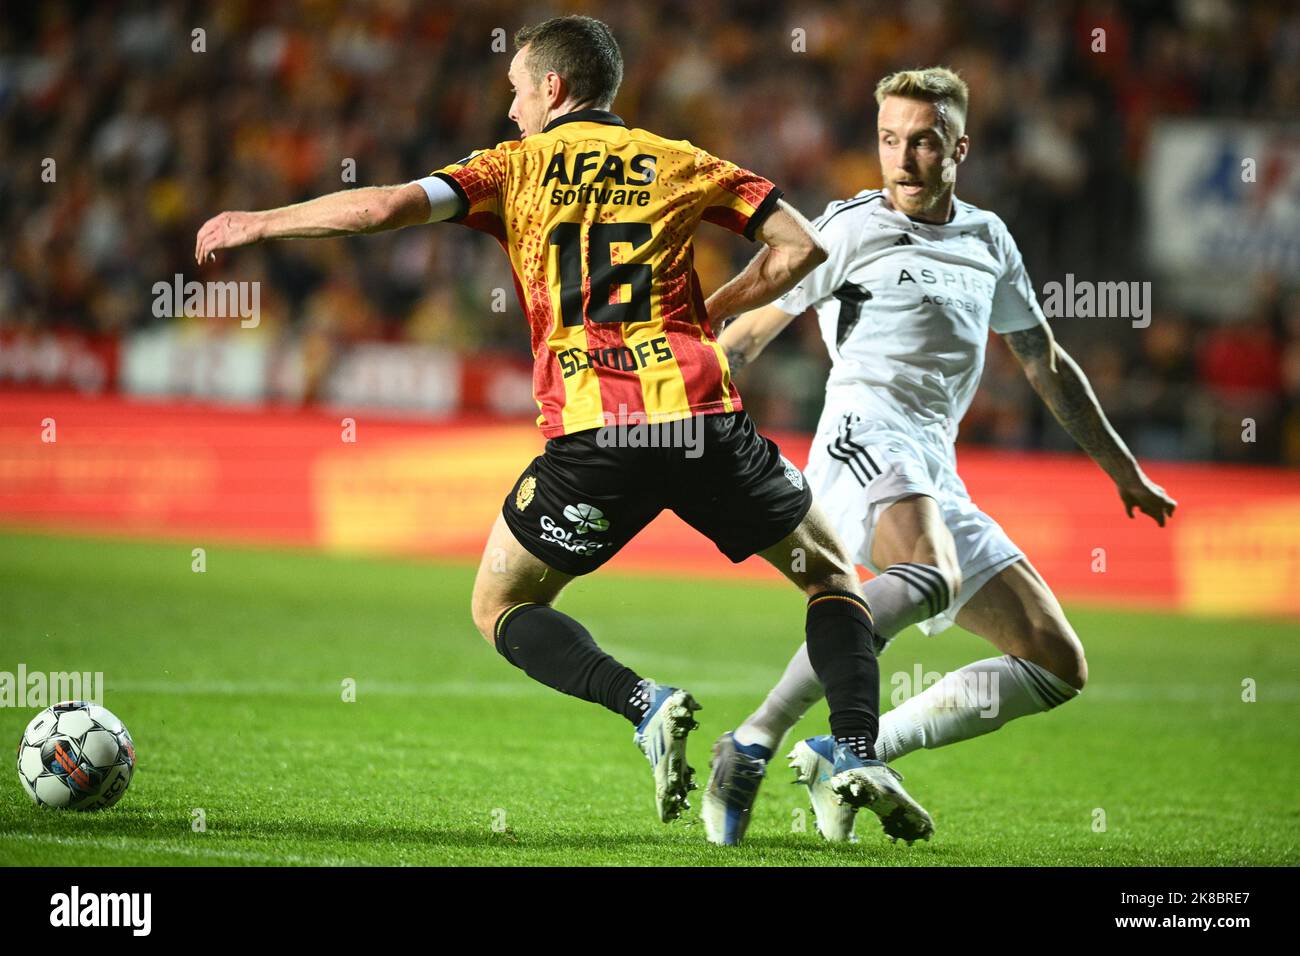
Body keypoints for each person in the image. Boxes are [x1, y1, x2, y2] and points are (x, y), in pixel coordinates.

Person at [195, 16, 933, 842]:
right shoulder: (679, 159)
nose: (511, 111)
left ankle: (642, 703)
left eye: (516, 92)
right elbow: (803, 247)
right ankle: (859, 749)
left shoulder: (511, 166)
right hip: (702, 422)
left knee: (500, 605)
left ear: (552, 89)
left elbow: (386, 205)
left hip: (596, 436)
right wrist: (705, 317)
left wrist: (260, 222)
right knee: (833, 581)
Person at [702, 66, 1176, 845]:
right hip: (859, 438)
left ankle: (847, 753)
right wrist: (684, 414)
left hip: (933, 468)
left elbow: (1044, 359)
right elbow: (747, 333)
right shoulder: (846, 227)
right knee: (929, 573)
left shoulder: (989, 239)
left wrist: (1123, 469)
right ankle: (753, 739)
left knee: (1054, 663)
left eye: (923, 141)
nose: (903, 158)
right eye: (890, 140)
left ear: (960, 145)